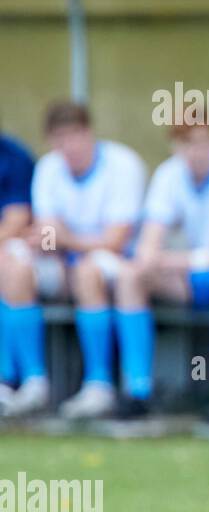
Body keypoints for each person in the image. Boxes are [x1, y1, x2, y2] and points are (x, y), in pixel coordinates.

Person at [1, 101, 146, 419]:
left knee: (88, 270)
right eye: (61, 139)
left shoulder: (122, 164)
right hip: (65, 260)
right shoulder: (50, 168)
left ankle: (100, 385)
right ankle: (32, 383)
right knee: (12, 263)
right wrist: (56, 241)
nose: (69, 147)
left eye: (75, 136)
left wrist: (65, 240)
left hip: (115, 265)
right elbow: (49, 234)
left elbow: (116, 240)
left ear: (89, 133)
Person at [112, 113, 209, 419]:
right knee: (131, 276)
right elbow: (148, 245)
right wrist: (154, 258)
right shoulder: (169, 175)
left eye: (203, 141)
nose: (197, 151)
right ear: (175, 147)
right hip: (188, 279)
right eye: (188, 144)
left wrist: (181, 260)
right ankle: (138, 391)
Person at [0, 125, 35, 407]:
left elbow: (16, 220)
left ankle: (9, 378)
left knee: (7, 261)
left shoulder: (13, 157)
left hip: (18, 251)